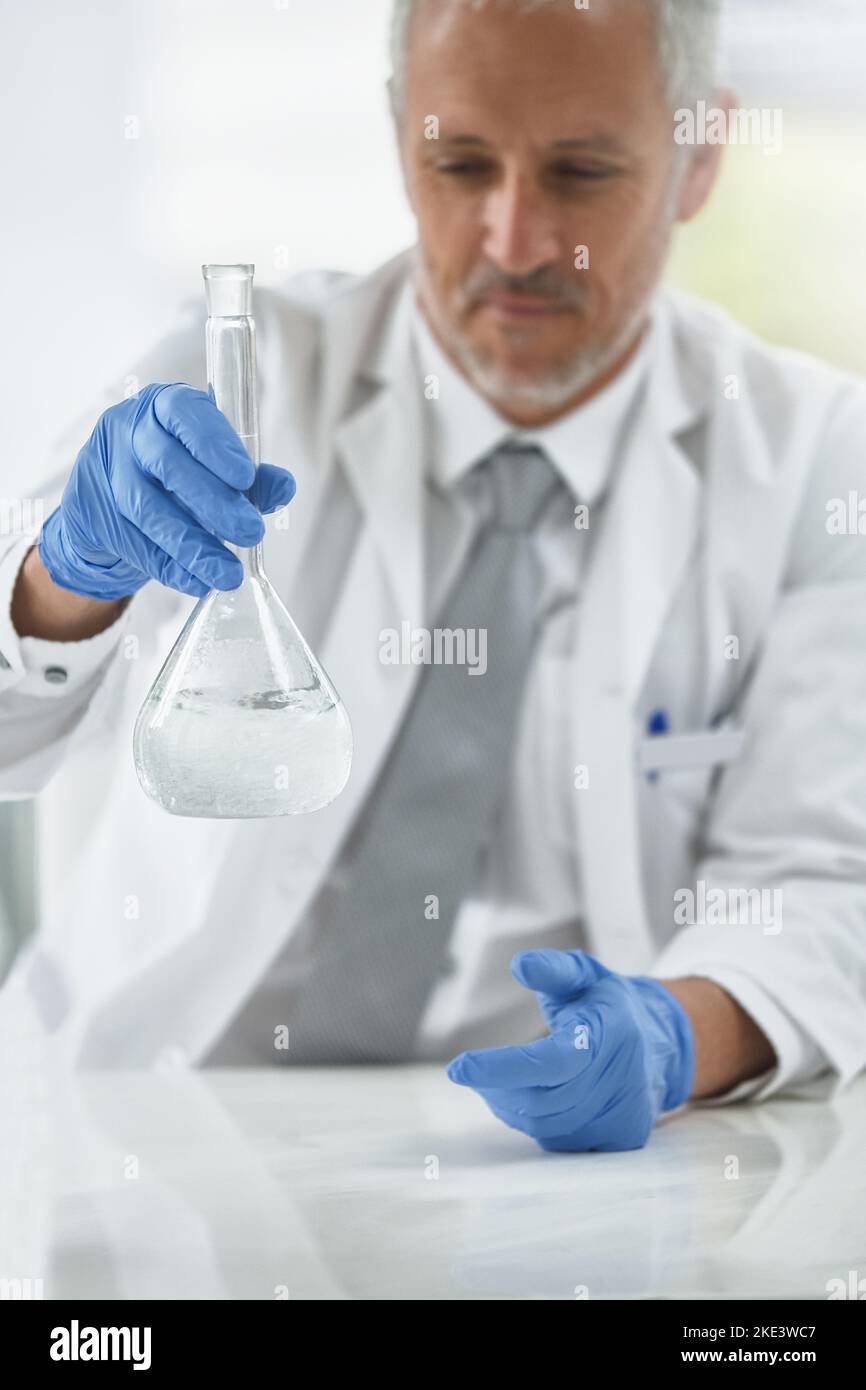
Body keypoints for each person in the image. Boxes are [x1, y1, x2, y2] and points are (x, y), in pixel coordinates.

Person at [1, 0, 865, 1153]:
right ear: (398, 134)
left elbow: (821, 878)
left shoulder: (815, 457)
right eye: (459, 162)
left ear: (700, 153)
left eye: (582, 169)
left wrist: (670, 1037)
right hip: (132, 1122)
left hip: (534, 1163)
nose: (513, 241)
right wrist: (69, 570)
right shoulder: (234, 382)